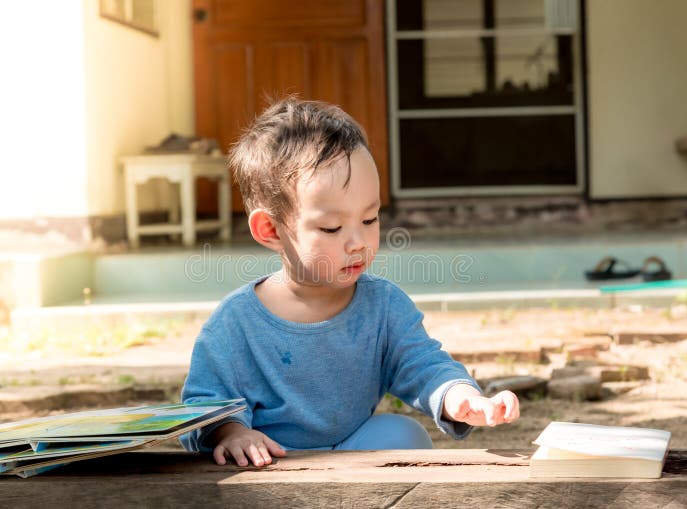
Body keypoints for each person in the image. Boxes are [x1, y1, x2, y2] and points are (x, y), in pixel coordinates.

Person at [180, 97, 520, 467]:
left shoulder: (382, 306)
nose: (358, 241)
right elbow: (202, 403)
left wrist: (458, 396)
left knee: (404, 434)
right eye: (332, 227)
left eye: (370, 219)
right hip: (269, 464)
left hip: (351, 456)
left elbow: (422, 363)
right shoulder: (236, 322)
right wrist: (232, 433)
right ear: (270, 230)